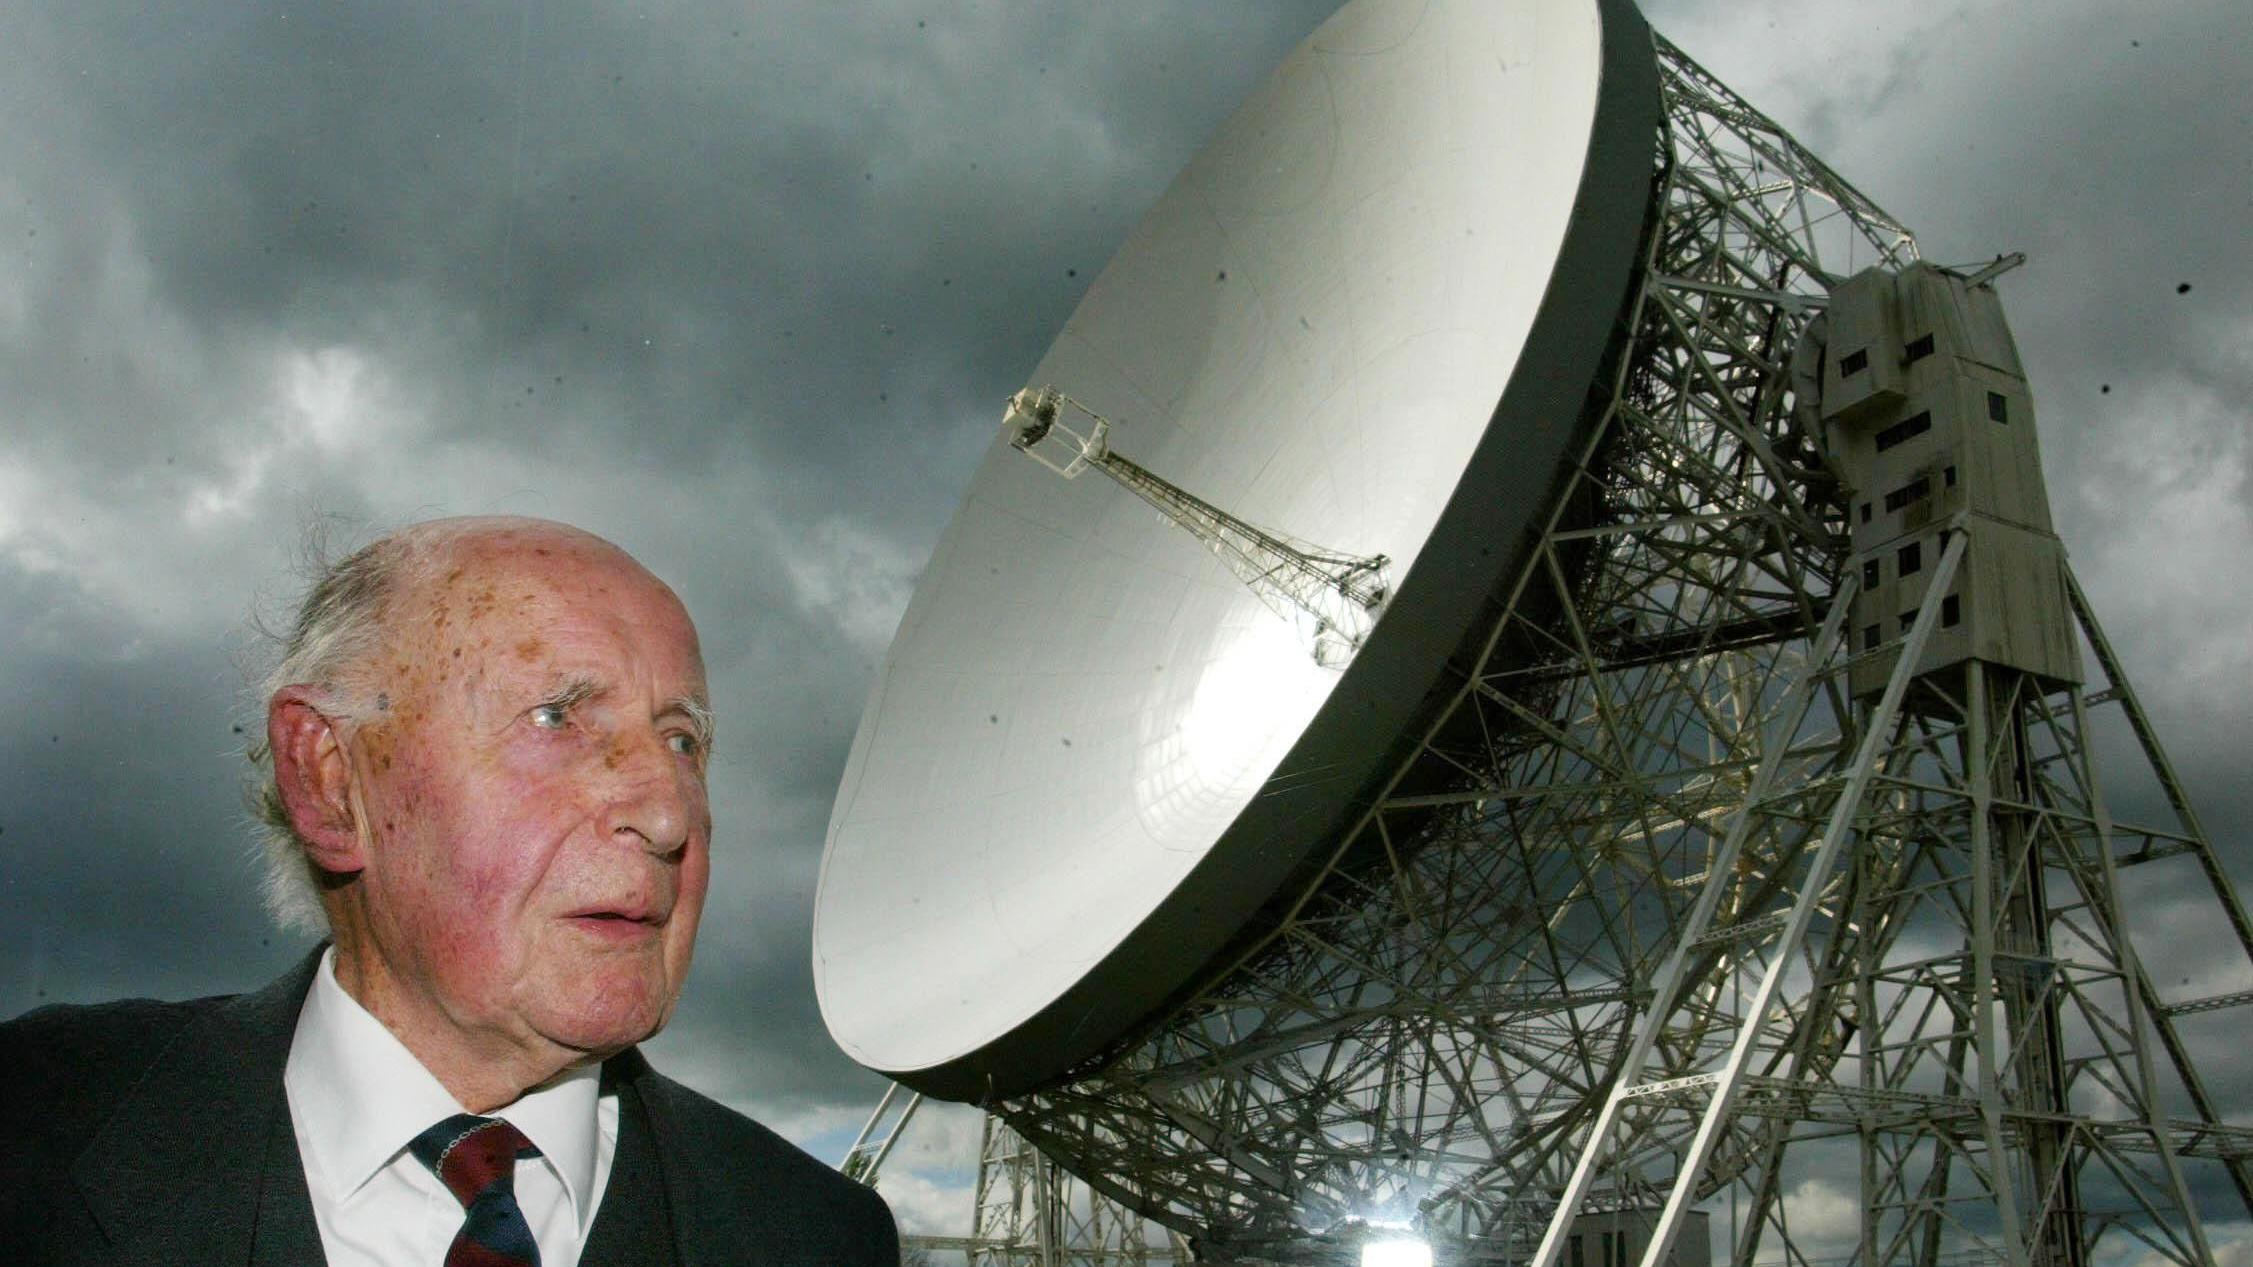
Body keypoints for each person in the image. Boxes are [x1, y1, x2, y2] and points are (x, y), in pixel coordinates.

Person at [0, 516, 897, 1266]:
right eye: (556, 716)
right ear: (329, 779)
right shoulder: (35, 1116)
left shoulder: (818, 1237)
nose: (668, 813)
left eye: (682, 741)